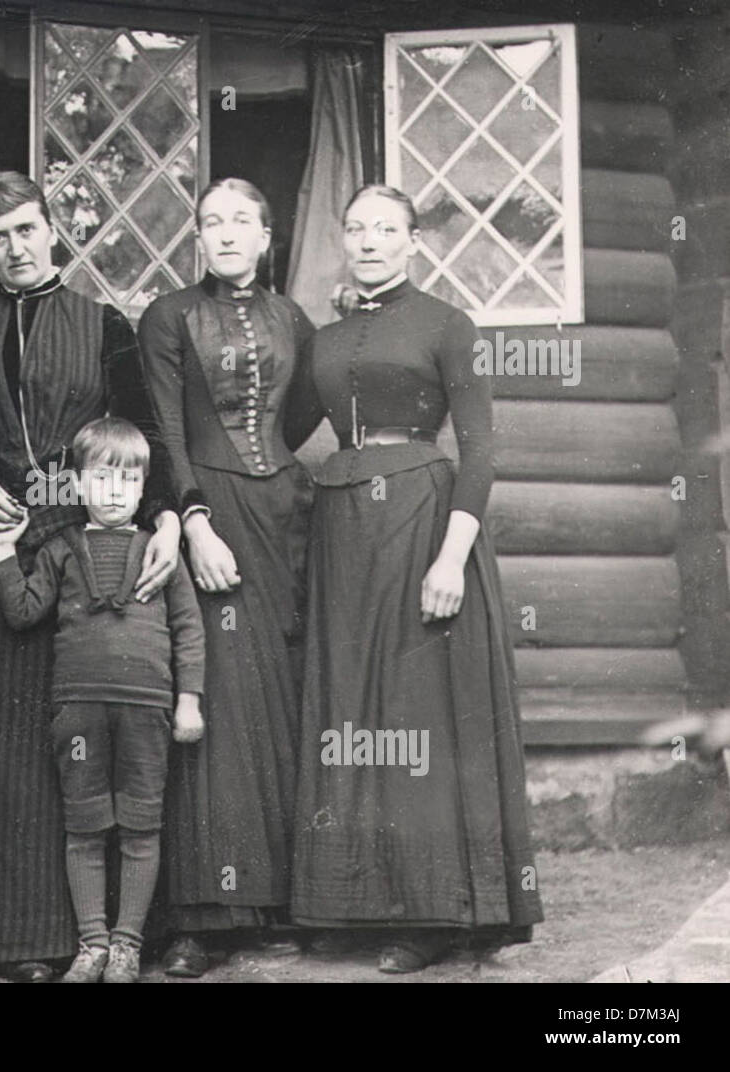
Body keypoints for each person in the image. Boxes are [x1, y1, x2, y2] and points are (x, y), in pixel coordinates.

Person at [0, 171, 182, 981]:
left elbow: (151, 437)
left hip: (88, 550)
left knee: (83, 742)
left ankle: (96, 938)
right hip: (2, 550)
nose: (15, 249)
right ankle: (10, 935)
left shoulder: (104, 325)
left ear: (53, 231)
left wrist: (166, 516)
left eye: (27, 230)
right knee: (6, 743)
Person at [285, 184, 544, 973]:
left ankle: (433, 915)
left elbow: (481, 450)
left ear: (413, 240)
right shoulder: (325, 337)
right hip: (344, 532)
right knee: (349, 706)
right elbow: (285, 428)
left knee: (413, 713)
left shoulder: (446, 324)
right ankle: (354, 905)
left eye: (385, 229)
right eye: (356, 228)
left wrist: (451, 556)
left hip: (422, 524)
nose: (368, 241)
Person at [137, 177, 316, 977]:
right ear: (198, 238)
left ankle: (274, 901)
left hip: (282, 512)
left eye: (243, 219)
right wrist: (196, 517)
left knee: (276, 695)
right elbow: (165, 427)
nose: (227, 232)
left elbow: (304, 411)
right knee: (210, 698)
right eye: (212, 221)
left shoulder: (294, 319)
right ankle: (202, 917)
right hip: (212, 509)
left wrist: (274, 468)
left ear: (267, 235)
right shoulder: (168, 316)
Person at [0, 417, 206, 983]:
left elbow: (188, 628)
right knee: (85, 827)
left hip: (145, 709)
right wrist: (4, 549)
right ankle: (91, 943)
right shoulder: (63, 547)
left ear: (143, 490)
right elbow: (21, 611)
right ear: (78, 485)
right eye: (102, 478)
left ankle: (128, 943)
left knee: (140, 826)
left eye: (128, 481)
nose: (115, 492)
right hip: (79, 709)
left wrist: (189, 701)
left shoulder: (160, 552)